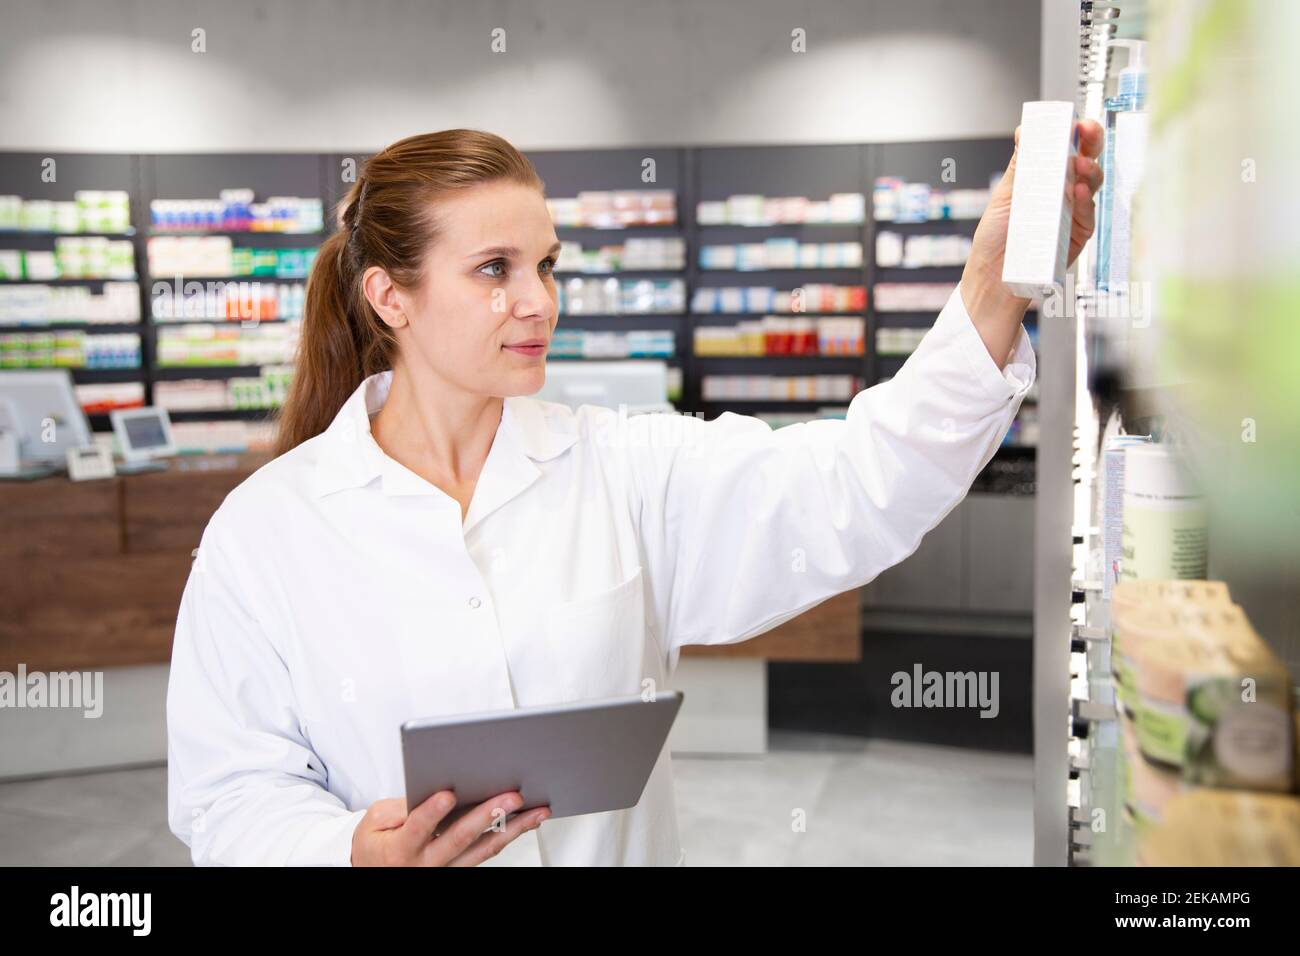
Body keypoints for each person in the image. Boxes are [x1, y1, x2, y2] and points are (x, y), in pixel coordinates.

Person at [166, 124, 1104, 866]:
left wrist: (991, 287)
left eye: (547, 265)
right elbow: (229, 796)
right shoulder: (269, 529)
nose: (538, 300)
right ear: (389, 298)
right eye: (495, 269)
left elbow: (856, 482)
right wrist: (345, 854)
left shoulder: (622, 468)